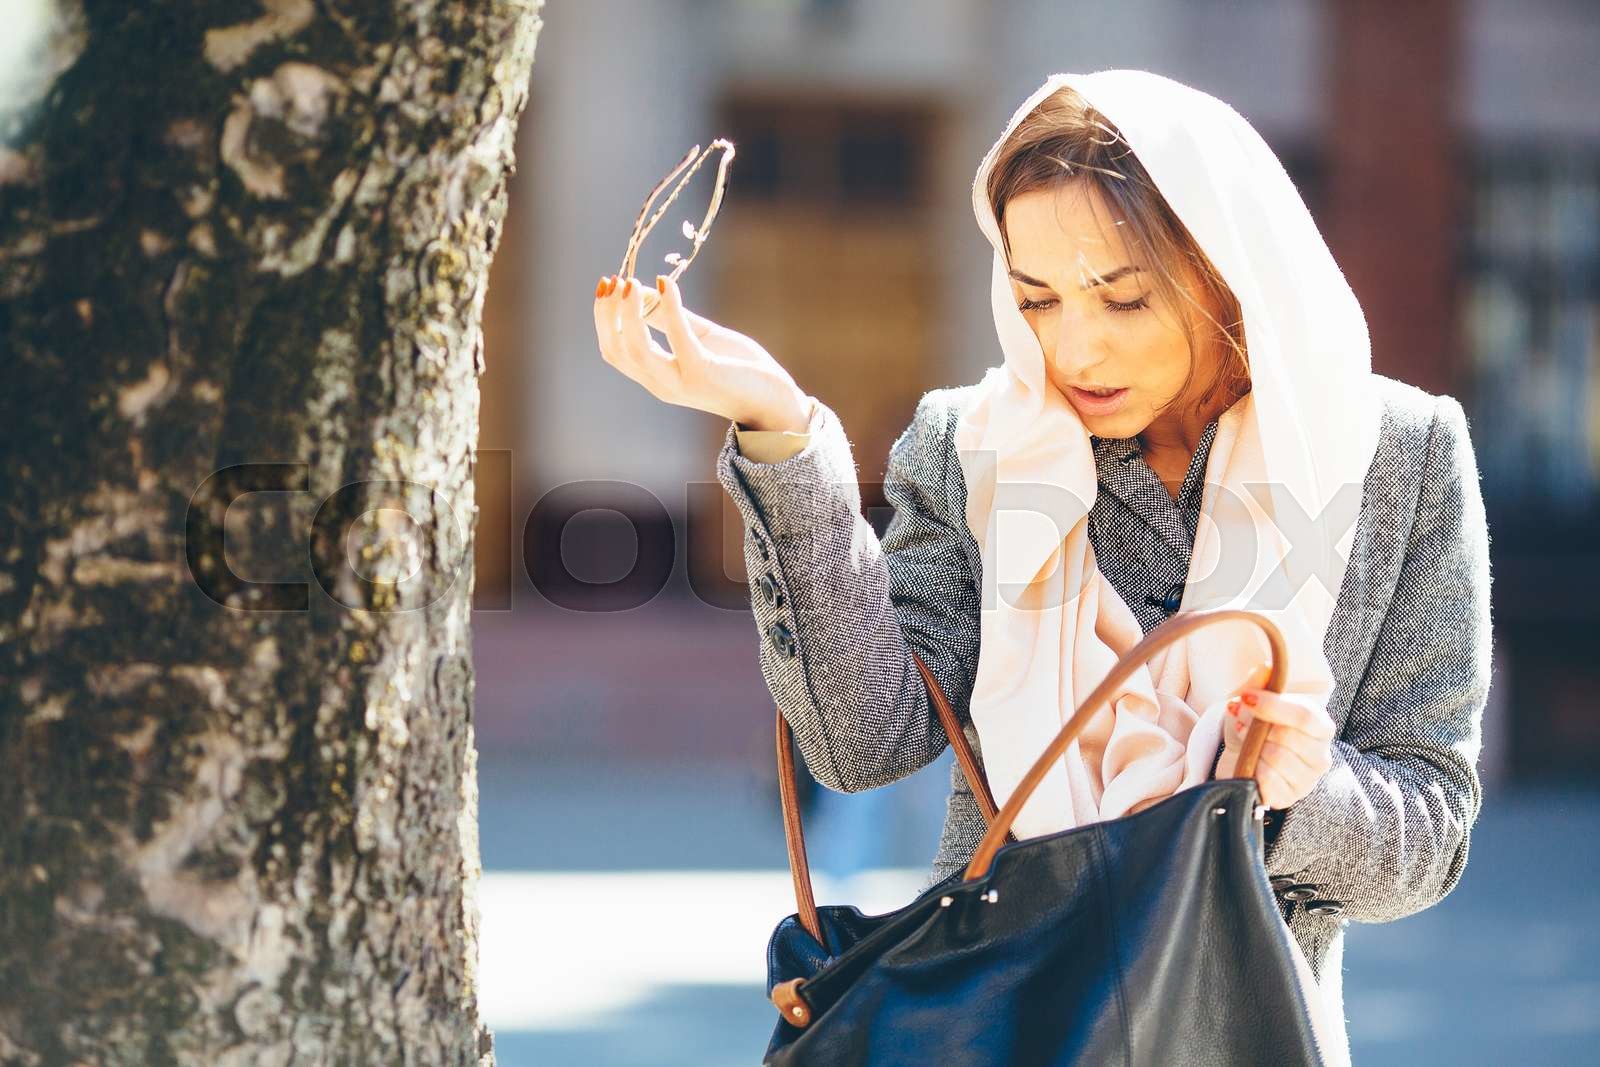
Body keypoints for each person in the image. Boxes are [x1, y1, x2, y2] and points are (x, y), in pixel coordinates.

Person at [592, 69, 1491, 1066]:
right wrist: (782, 435)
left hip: (1243, 1026)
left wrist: (1301, 790)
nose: (1072, 346)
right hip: (999, 1025)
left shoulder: (1400, 454)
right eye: (1036, 298)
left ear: (1225, 269)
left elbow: (1431, 832)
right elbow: (865, 744)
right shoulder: (975, 446)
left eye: (1121, 297)